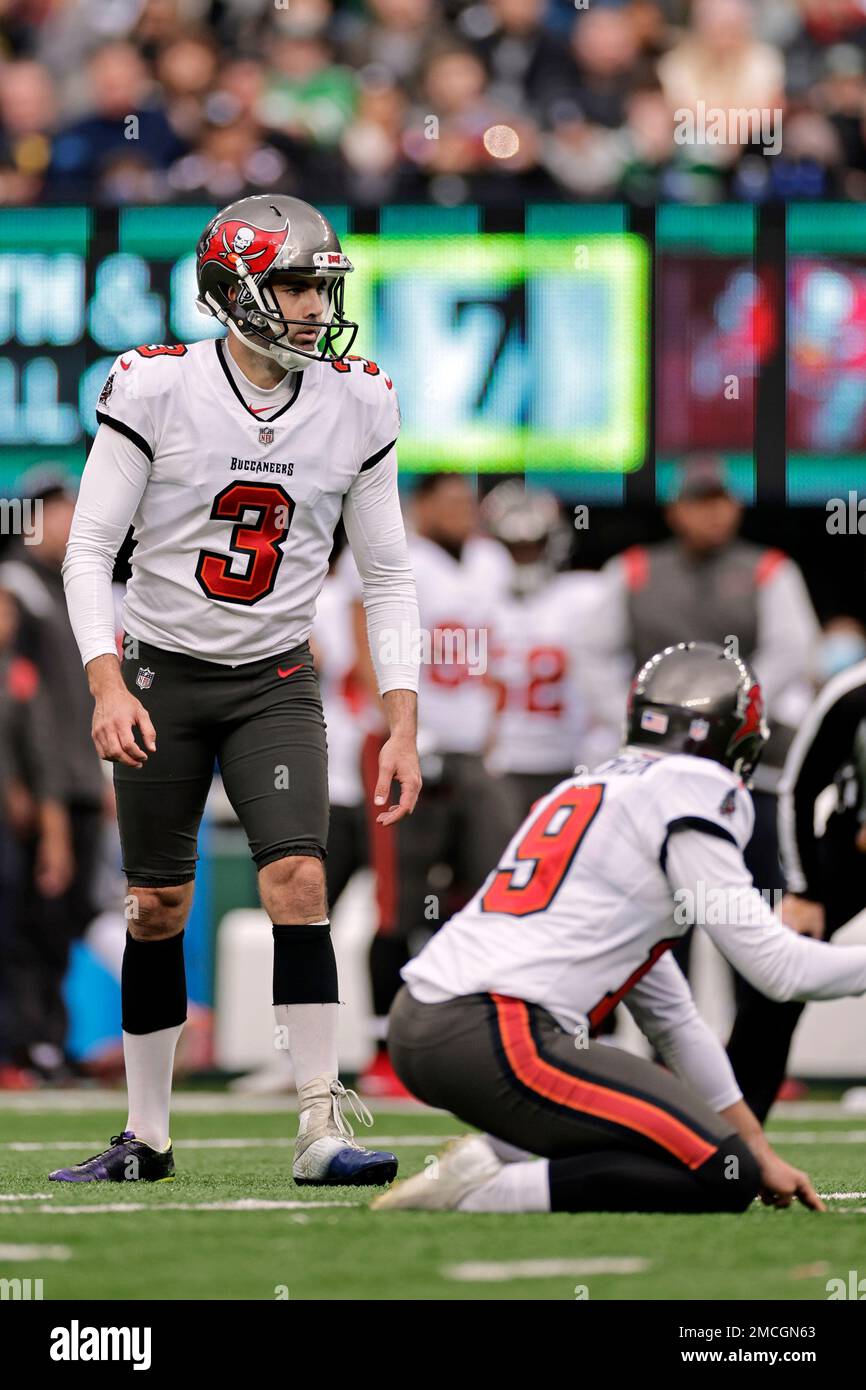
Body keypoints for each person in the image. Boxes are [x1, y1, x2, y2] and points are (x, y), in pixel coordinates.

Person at [56, 194, 421, 1185]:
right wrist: (105, 682)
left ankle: (319, 1125)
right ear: (229, 292)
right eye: (295, 283)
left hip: (274, 675)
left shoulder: (360, 399)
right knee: (154, 906)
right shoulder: (155, 386)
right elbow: (89, 553)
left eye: (320, 284)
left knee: (297, 879)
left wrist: (401, 721)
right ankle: (148, 1134)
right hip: (160, 673)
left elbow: (386, 576)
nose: (313, 305)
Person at [374, 643, 866, 1216]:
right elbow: (778, 968)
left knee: (734, 1162)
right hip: (502, 1036)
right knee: (724, 1178)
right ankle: (485, 1191)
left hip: (423, 1025)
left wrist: (755, 1144)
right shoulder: (692, 788)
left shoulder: (592, 786)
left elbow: (672, 1018)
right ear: (735, 738)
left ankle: (494, 1156)